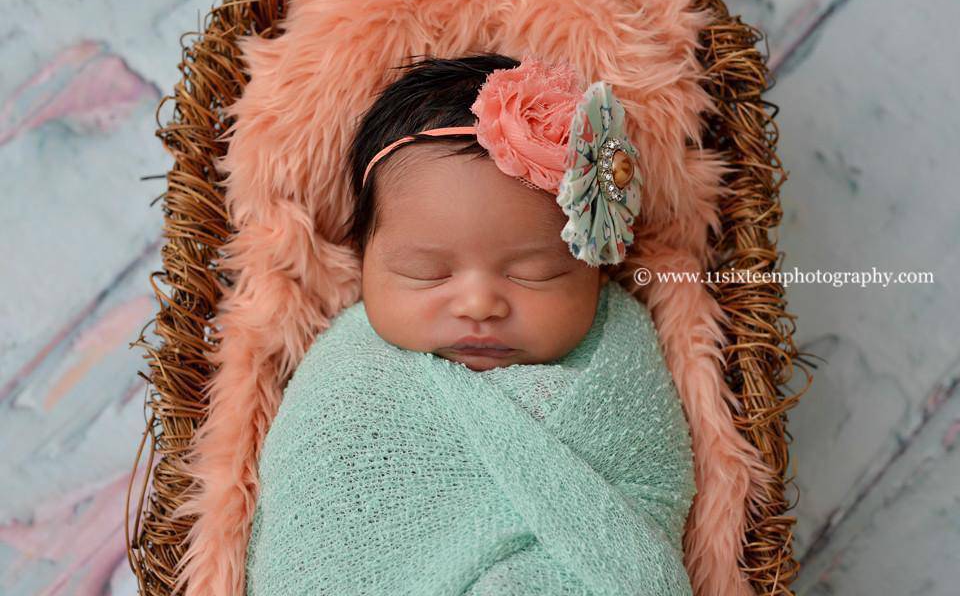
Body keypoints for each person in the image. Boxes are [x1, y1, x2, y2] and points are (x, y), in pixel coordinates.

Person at [244, 53, 697, 595]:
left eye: (534, 273)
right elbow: (317, 523)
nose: (480, 305)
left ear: (597, 268)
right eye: (428, 273)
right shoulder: (348, 380)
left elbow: (651, 482)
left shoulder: (618, 358)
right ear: (362, 260)